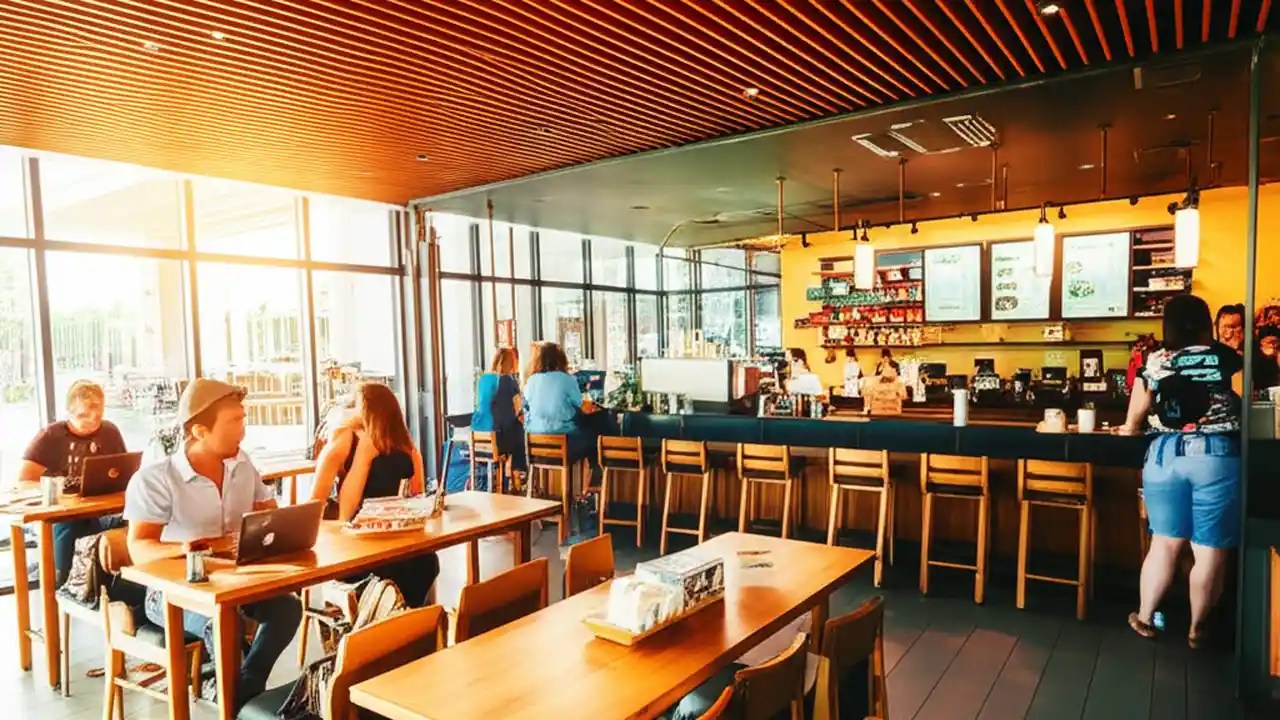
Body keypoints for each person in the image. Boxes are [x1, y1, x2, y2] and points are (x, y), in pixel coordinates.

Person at [124, 379, 300, 707]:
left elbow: (268, 515)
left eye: (243, 419)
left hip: (235, 581)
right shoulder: (155, 479)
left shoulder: (243, 463)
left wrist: (278, 525)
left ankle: (242, 691)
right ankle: (241, 701)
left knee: (288, 608)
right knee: (223, 621)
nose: (243, 430)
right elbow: (139, 549)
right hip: (171, 593)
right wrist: (188, 547)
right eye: (234, 421)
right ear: (199, 431)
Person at [1116, 294, 1242, 648]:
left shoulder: (1156, 360)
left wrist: (1129, 428)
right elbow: (1246, 401)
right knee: (1208, 549)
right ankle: (1197, 629)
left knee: (1164, 542)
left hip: (1163, 455)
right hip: (1215, 455)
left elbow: (1135, 413)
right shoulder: (1227, 357)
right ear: (1206, 323)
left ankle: (1145, 617)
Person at [310, 382, 439, 607]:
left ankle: (405, 618)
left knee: (426, 561)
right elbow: (342, 512)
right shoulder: (346, 439)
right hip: (354, 542)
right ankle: (394, 619)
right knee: (398, 568)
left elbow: (416, 495)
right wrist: (364, 456)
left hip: (392, 535)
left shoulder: (402, 445)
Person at [18, 380, 127, 584]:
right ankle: (65, 585)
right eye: (84, 415)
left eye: (98, 415)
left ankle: (118, 586)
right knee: (71, 527)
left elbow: (123, 469)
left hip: (101, 509)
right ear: (70, 413)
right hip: (63, 516)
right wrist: (56, 491)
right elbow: (24, 481)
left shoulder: (110, 432)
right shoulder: (50, 437)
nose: (92, 420)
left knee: (135, 521)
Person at [472, 347, 526, 479]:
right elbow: (519, 410)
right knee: (521, 433)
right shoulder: (509, 380)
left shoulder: (483, 379)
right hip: (498, 439)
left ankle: (507, 476)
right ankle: (518, 474)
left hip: (478, 437)